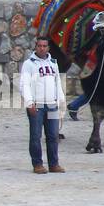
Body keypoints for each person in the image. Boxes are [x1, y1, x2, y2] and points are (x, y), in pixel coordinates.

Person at [20, 35, 67, 174]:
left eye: (44, 46)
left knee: (53, 136)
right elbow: (24, 84)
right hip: (37, 105)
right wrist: (29, 102)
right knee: (35, 136)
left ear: (48, 47)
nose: (42, 48)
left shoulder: (53, 63)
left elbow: (57, 82)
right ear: (36, 47)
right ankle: (37, 164)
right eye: (39, 46)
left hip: (52, 104)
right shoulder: (29, 64)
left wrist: (61, 101)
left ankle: (54, 164)